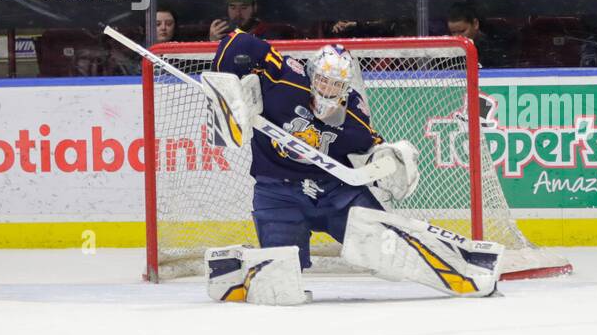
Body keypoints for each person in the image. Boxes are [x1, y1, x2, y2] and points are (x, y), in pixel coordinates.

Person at [203, 33, 496, 300]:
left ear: (347, 86)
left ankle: (463, 268)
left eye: (337, 84)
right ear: (311, 74)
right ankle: (236, 269)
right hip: (279, 192)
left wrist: (386, 161)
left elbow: (370, 150)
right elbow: (237, 40)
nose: (328, 90)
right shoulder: (283, 80)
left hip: (337, 193)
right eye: (323, 80)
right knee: (279, 285)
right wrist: (226, 88)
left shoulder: (354, 114)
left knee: (387, 250)